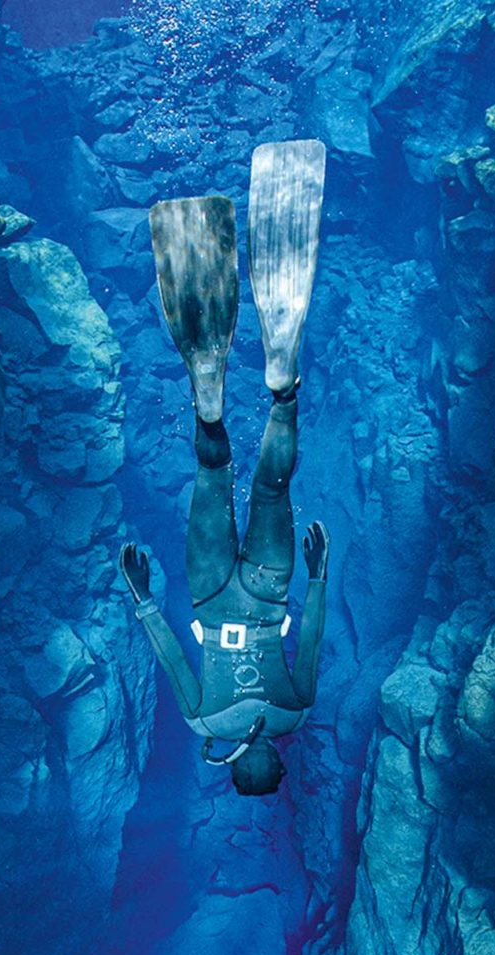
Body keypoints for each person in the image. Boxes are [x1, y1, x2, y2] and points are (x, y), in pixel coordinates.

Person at [120, 140, 329, 797]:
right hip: (212, 596)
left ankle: (282, 392)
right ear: (232, 764)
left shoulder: (296, 715)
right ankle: (207, 400)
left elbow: (312, 639)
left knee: (272, 488)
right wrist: (143, 597)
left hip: (267, 593)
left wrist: (318, 576)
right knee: (213, 473)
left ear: (274, 763)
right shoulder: (201, 722)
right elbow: (170, 654)